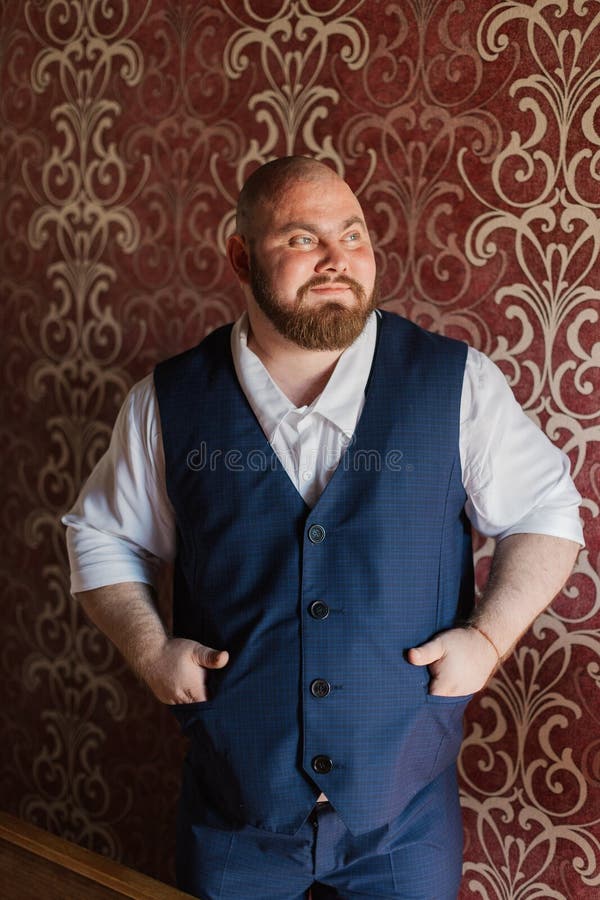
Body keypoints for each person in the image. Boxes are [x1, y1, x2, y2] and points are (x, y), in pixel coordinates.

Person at [63, 156, 583, 900]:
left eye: (354, 234)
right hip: (233, 812)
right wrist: (149, 650)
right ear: (241, 257)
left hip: (406, 816)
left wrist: (489, 641)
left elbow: (546, 512)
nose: (338, 259)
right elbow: (102, 535)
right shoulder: (167, 400)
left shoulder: (457, 382)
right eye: (303, 238)